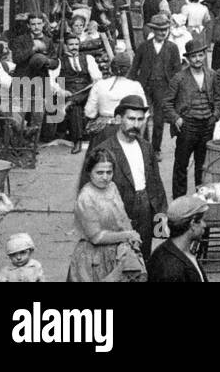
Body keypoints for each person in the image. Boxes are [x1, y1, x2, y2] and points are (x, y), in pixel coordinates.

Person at [77, 95, 167, 258]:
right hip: (117, 210)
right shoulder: (104, 150)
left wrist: (161, 222)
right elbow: (86, 187)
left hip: (144, 208)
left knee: (142, 256)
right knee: (117, 259)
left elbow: (156, 185)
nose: (136, 124)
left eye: (140, 120)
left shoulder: (146, 147)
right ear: (119, 119)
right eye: (131, 119)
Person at [68, 149, 144, 282]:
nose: (105, 177)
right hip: (94, 259)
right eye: (99, 172)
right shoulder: (86, 197)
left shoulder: (112, 187)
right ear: (89, 172)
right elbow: (96, 237)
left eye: (109, 172)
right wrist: (127, 235)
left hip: (117, 253)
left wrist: (131, 238)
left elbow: (122, 216)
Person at [164, 40, 220, 197]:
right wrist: (176, 118)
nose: (197, 59)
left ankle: (200, 198)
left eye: (200, 55)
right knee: (181, 164)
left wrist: (215, 115)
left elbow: (219, 98)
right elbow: (166, 102)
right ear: (188, 59)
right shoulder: (179, 78)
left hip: (207, 125)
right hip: (187, 126)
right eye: (194, 56)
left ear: (204, 56)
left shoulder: (211, 75)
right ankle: (179, 200)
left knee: (202, 165)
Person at [129, 14, 182, 154]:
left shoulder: (172, 48)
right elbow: (134, 67)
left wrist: (177, 89)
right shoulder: (143, 46)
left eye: (165, 29)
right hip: (144, 85)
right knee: (143, 116)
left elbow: (177, 71)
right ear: (153, 30)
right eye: (159, 30)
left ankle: (156, 149)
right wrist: (129, 85)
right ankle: (143, 146)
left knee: (159, 119)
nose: (163, 33)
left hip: (163, 87)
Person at [148, 195, 208, 282]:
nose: (204, 225)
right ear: (192, 224)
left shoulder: (180, 252)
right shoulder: (171, 269)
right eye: (202, 221)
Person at [84, 54, 146, 140]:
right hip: (127, 129)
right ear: (129, 69)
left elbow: (89, 112)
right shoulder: (135, 86)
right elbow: (144, 113)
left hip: (103, 130)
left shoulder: (99, 85)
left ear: (111, 68)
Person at [58, 34, 101, 154]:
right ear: (66, 46)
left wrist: (93, 87)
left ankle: (72, 101)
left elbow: (97, 77)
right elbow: (52, 80)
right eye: (71, 44)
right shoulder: (60, 61)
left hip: (86, 91)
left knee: (88, 93)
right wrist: (61, 91)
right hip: (70, 92)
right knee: (75, 107)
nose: (74, 47)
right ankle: (78, 141)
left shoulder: (87, 58)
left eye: (76, 44)